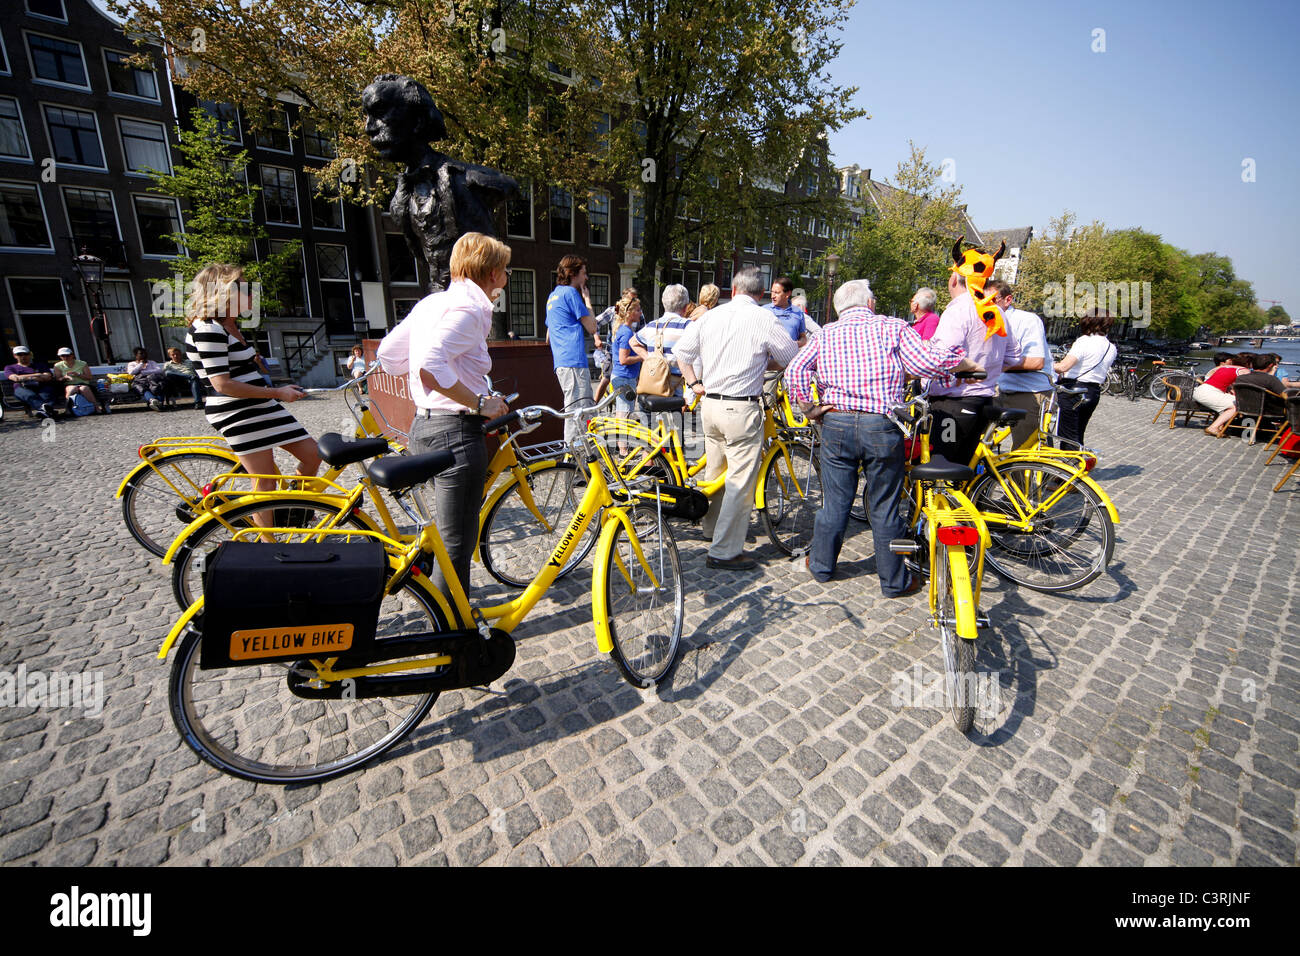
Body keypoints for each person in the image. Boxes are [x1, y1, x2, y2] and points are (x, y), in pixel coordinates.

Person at [786, 279, 978, 594]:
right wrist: (962, 360)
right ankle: (893, 581)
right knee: (885, 505)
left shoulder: (826, 334)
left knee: (835, 503)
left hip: (836, 423)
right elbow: (927, 363)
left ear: (838, 308)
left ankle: (821, 566)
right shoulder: (893, 327)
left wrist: (809, 408)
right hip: (881, 424)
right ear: (870, 304)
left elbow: (795, 372)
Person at [377, 232, 511, 595]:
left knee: (448, 534)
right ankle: (452, 630)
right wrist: (478, 403)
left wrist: (456, 384)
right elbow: (431, 366)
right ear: (490, 272)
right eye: (504, 269)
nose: (507, 276)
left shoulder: (431, 303)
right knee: (456, 545)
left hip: (423, 427)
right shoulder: (471, 309)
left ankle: (445, 611)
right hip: (456, 434)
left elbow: (389, 356)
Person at [673, 267, 799, 570]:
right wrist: (762, 360)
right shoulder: (763, 318)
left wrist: (693, 384)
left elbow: (682, 353)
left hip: (710, 405)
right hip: (741, 408)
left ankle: (711, 529)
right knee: (740, 481)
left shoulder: (711, 316)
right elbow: (791, 356)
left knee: (715, 470)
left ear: (733, 288)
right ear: (762, 293)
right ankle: (725, 551)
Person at [185, 263, 321, 515]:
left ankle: (293, 506)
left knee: (314, 454)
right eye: (245, 289)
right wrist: (278, 394)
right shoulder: (209, 329)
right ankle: (267, 544)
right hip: (236, 411)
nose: (251, 295)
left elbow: (242, 372)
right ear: (225, 292)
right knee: (264, 483)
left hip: (260, 406)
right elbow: (222, 384)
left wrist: (277, 387)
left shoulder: (230, 325)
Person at [928, 268, 1023, 465]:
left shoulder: (958, 311)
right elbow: (1014, 357)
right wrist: (988, 371)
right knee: (964, 468)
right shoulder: (997, 311)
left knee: (942, 466)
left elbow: (939, 356)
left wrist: (965, 372)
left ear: (954, 279)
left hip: (953, 405)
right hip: (983, 400)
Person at [990, 280, 1054, 448]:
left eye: (991, 300)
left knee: (1024, 451)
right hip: (1001, 390)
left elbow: (1036, 361)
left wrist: (995, 364)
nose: (986, 305)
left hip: (1029, 393)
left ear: (1008, 299)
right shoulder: (989, 321)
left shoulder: (1026, 320)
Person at [545, 254, 597, 447]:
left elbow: (549, 336)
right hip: (574, 361)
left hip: (561, 362)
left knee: (580, 409)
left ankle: (581, 458)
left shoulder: (553, 296)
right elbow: (592, 327)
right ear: (573, 273)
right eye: (584, 273)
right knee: (578, 413)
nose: (586, 278)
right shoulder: (570, 294)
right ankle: (575, 463)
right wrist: (587, 300)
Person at [1052, 309, 1118, 446]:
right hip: (1093, 392)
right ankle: (1077, 463)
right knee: (1078, 434)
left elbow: (1064, 367)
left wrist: (1046, 364)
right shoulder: (1111, 347)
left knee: (1067, 436)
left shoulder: (1084, 341)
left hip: (1073, 392)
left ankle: (1068, 465)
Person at [631, 284, 694, 393]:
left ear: (664, 304)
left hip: (649, 385)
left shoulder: (651, 325)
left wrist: (649, 358)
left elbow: (633, 342)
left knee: (644, 408)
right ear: (685, 307)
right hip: (673, 389)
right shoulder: (688, 326)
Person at [608, 292, 644, 454]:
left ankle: (622, 447)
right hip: (624, 377)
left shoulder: (622, 329)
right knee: (624, 414)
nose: (640, 312)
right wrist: (642, 357)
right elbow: (623, 359)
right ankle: (623, 451)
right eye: (637, 310)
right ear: (629, 313)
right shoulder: (627, 332)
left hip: (622, 376)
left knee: (622, 413)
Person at [1192, 351, 1250, 437]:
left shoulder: (1224, 368)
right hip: (1210, 393)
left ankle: (1220, 426)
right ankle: (1213, 427)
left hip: (1201, 391)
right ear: (1248, 363)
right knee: (1237, 405)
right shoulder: (1243, 370)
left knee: (1230, 402)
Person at [4, 345, 61, 419]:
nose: (23, 356)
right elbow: (15, 378)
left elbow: (48, 376)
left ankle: (43, 412)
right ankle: (48, 411)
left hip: (41, 386)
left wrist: (24, 377)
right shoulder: (10, 367)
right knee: (30, 395)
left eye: (25, 354)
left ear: (30, 355)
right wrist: (37, 375)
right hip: (22, 388)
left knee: (47, 394)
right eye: (20, 354)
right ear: (15, 356)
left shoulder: (40, 365)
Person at [54, 346, 107, 414]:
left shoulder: (82, 363)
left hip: (83, 383)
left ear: (72, 355)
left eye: (67, 355)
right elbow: (58, 379)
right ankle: (67, 409)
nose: (65, 357)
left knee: (84, 389)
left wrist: (78, 374)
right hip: (68, 384)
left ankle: (97, 408)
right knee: (72, 389)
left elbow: (89, 377)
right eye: (63, 356)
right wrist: (65, 377)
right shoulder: (58, 365)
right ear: (60, 357)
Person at [766, 276, 809, 346]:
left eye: (776, 293)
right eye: (772, 292)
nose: (772, 296)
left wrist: (795, 344)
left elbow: (803, 337)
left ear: (788, 294)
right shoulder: (764, 310)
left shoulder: (798, 312)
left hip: (791, 356)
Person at [126, 347, 167, 411]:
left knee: (159, 385)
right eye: (141, 353)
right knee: (141, 387)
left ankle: (157, 403)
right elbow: (131, 372)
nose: (144, 355)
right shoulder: (132, 364)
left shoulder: (152, 362)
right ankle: (153, 400)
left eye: (145, 353)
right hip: (140, 381)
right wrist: (141, 364)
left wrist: (144, 372)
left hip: (153, 379)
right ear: (136, 355)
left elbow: (159, 370)